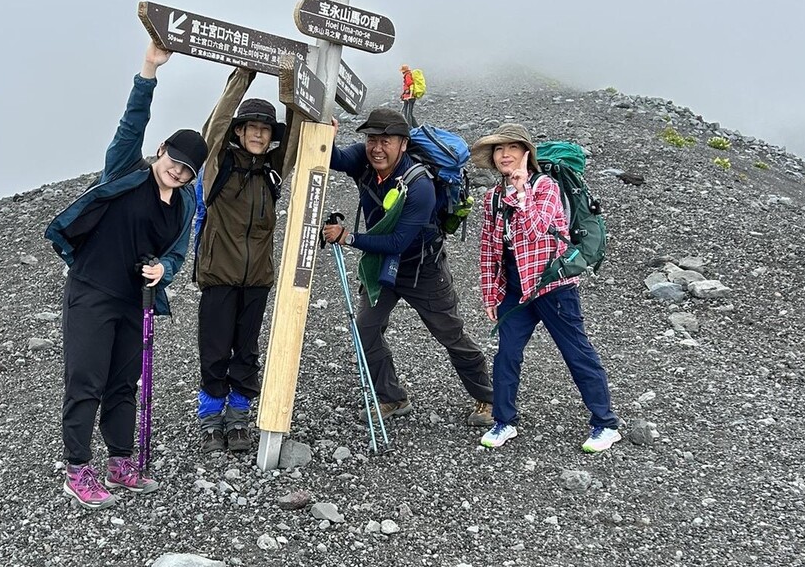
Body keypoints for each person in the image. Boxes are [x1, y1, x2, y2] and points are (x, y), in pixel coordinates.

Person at [45, 42, 208, 506]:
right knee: (86, 381)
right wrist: (149, 71)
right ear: (161, 151)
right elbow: (129, 124)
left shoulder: (184, 202)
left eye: (187, 171)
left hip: (134, 302)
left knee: (122, 383)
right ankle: (78, 470)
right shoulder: (124, 172)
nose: (178, 172)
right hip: (92, 291)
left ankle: (120, 463)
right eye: (174, 161)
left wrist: (164, 270)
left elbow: (177, 252)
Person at [321, 106, 493, 426]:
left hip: (422, 269)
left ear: (403, 143)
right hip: (380, 266)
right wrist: (327, 138)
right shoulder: (363, 158)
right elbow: (334, 160)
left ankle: (489, 398)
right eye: (373, 138)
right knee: (366, 329)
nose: (377, 147)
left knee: (451, 335)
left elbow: (399, 242)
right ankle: (391, 398)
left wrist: (348, 238)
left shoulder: (420, 185)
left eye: (387, 141)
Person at [472, 123, 621, 453]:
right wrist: (490, 292)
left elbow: (537, 230)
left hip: (553, 285)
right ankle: (504, 421)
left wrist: (523, 194)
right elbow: (489, 248)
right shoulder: (493, 198)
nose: (504, 154)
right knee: (507, 353)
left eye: (512, 148)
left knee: (576, 353)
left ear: (527, 154)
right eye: (499, 149)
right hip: (515, 288)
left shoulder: (547, 187)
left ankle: (605, 424)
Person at [194, 70, 296, 453]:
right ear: (239, 132)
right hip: (219, 276)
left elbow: (298, 126)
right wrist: (245, 73)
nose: (258, 134)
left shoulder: (272, 170)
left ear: (272, 137)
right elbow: (215, 125)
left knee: (247, 351)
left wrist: (293, 84)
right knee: (215, 351)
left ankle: (238, 420)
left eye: (265, 129)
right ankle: (210, 420)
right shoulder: (218, 165)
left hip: (257, 279)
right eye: (251, 127)